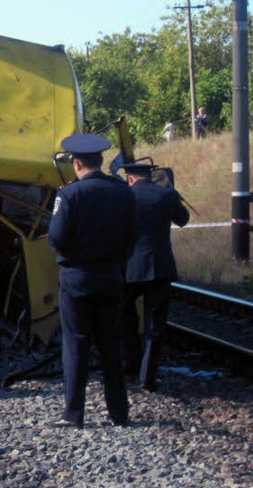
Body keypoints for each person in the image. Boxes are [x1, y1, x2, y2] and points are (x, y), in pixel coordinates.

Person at [47, 133, 136, 428]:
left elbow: (56, 239)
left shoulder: (69, 195)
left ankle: (74, 414)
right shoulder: (123, 192)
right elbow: (133, 235)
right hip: (111, 275)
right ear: (101, 160)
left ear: (76, 164)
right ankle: (119, 413)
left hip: (77, 278)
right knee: (111, 345)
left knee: (76, 344)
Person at [122, 162, 190, 392]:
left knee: (125, 316)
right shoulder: (166, 194)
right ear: (150, 176)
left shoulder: (123, 196)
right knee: (156, 324)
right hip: (159, 267)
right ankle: (147, 378)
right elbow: (183, 219)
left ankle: (130, 365)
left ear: (130, 178)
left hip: (129, 267)